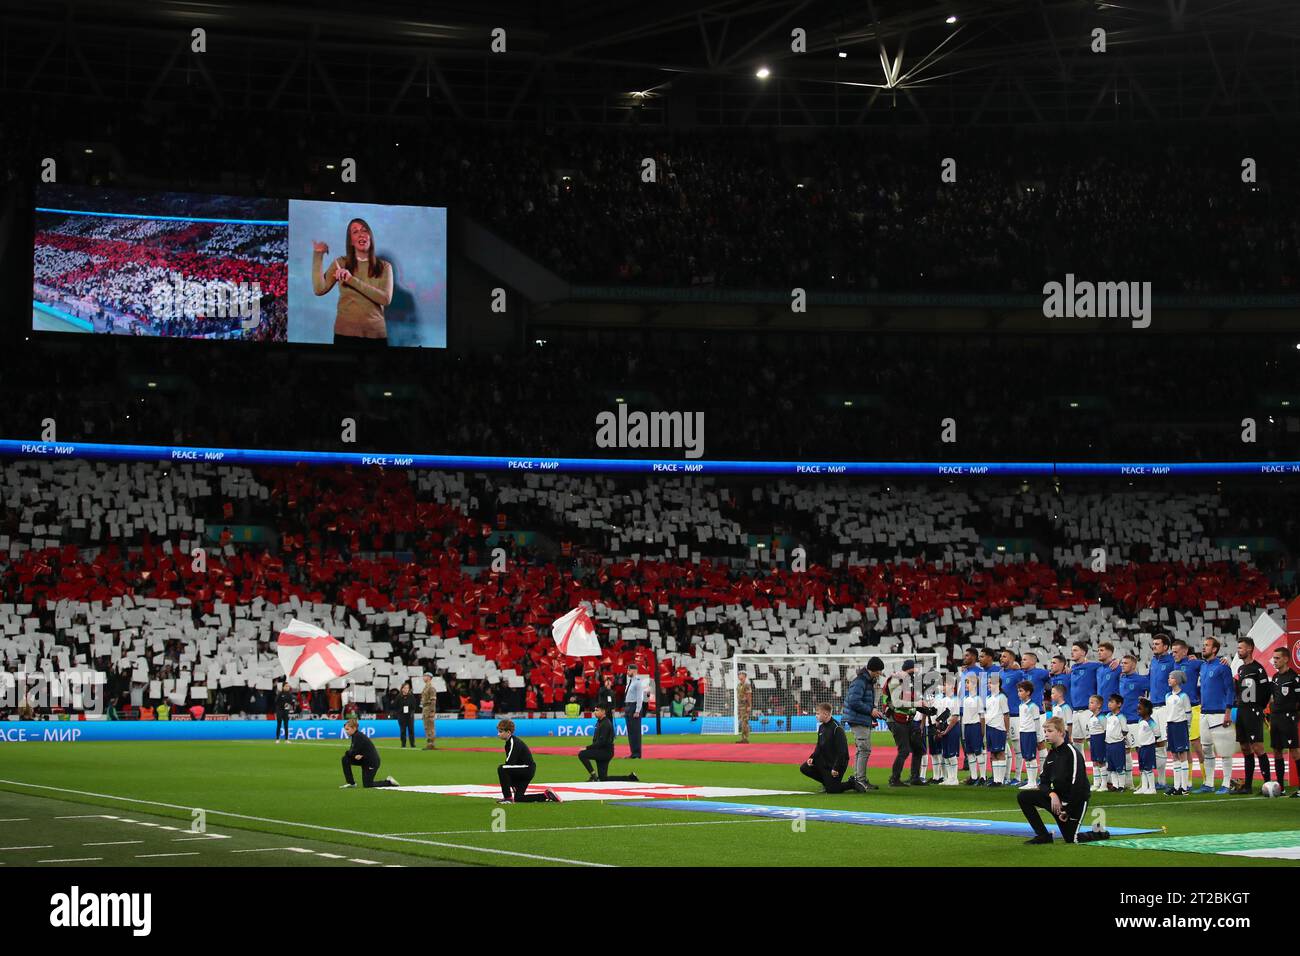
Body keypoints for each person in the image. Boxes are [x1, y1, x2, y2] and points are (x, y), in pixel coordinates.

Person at [1018, 716, 1109, 845]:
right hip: (1057, 800)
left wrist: (1067, 809)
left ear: (1061, 732)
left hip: (1075, 802)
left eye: (1050, 731)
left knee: (1072, 839)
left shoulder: (1072, 753)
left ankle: (1098, 833)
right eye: (1045, 732)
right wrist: (1052, 794)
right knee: (1024, 797)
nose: (1046, 735)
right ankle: (1043, 835)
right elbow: (1043, 782)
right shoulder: (1052, 754)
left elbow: (1077, 785)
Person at [311, 218, 394, 346]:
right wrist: (318, 255)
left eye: (364, 230)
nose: (361, 234)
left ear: (370, 237)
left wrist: (351, 280)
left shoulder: (385, 266)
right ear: (351, 241)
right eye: (355, 232)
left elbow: (385, 299)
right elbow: (319, 289)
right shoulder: (341, 263)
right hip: (344, 336)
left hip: (376, 336)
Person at [1229, 636, 1271, 794]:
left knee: (1258, 747)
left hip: (1253, 711)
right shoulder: (1241, 669)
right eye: (1238, 648)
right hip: (1241, 711)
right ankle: (1248, 786)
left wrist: (1259, 707)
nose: (1238, 651)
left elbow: (1266, 691)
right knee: (1245, 747)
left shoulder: (1258, 669)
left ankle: (1268, 784)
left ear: (1250, 649)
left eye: (1241, 648)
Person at [1198, 636, 1236, 794]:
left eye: (1206, 645)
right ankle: (1209, 783)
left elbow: (1230, 690)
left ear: (1214, 649)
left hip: (1219, 713)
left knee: (1225, 750)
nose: (1203, 647)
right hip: (1204, 713)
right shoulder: (1203, 666)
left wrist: (1228, 712)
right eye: (1203, 645)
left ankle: (1226, 784)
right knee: (1207, 749)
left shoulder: (1223, 666)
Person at [799, 702, 865, 793]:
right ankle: (827, 782)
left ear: (826, 714)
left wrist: (836, 767)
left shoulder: (837, 728)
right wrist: (812, 757)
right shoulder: (822, 727)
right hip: (825, 761)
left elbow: (843, 752)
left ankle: (851, 783)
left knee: (832, 790)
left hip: (836, 763)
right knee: (804, 768)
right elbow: (819, 745)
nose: (816, 716)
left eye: (818, 713)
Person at [840, 657, 885, 790]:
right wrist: (871, 710)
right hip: (858, 719)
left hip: (859, 718)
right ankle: (860, 780)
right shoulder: (861, 682)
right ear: (873, 670)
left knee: (862, 750)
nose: (879, 674)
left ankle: (860, 779)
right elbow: (854, 701)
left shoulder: (864, 680)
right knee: (864, 749)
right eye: (878, 671)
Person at [496, 718, 559, 803]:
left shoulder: (513, 742)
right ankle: (546, 795)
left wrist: (510, 780)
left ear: (508, 732)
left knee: (502, 769)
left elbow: (510, 763)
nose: (498, 734)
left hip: (526, 769)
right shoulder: (509, 742)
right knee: (519, 798)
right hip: (527, 770)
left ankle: (508, 798)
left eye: (500, 732)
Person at [884, 659, 925, 786]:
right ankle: (894, 779)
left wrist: (922, 707)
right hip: (897, 719)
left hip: (907, 719)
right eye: (914, 672)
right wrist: (916, 704)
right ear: (909, 670)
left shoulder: (907, 682)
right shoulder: (895, 680)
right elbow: (896, 703)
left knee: (918, 748)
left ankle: (915, 777)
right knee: (904, 750)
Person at [1267, 646, 1300, 797]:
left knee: (1294, 751)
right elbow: (1273, 698)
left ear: (1286, 659)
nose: (1275, 661)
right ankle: (1280, 787)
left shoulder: (1294, 678)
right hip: (1276, 718)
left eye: (1277, 658)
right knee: (1277, 751)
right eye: (1274, 658)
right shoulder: (1275, 677)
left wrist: (1293, 713)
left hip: (1289, 717)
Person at [1171, 639, 1204, 788]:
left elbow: (1209, 664)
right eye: (1172, 652)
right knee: (1184, 746)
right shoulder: (1172, 665)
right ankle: (1188, 780)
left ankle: (1206, 778)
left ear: (1185, 651)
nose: (1174, 654)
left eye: (1176, 652)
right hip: (1178, 709)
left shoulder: (1194, 663)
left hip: (1194, 707)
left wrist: (1222, 659)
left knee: (1195, 743)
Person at [578, 704, 639, 782]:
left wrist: (587, 748)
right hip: (605, 751)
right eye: (594, 710)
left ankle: (593, 776)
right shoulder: (600, 722)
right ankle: (630, 778)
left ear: (603, 712)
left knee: (582, 754)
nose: (595, 712)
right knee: (603, 778)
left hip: (604, 752)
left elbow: (601, 742)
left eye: (597, 710)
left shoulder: (605, 724)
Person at [1147, 634, 1176, 790]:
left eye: (1157, 644)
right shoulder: (1153, 661)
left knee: (1167, 743)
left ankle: (1181, 781)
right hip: (1153, 707)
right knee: (1158, 743)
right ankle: (1162, 780)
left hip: (1166, 707)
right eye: (1153, 644)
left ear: (1166, 646)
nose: (1154, 646)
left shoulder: (1172, 661)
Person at [340, 718, 398, 788]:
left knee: (368, 785)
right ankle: (351, 783)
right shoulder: (355, 736)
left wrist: (352, 754)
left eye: (347, 729)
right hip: (364, 760)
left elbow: (352, 752)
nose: (346, 731)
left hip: (371, 762)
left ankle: (389, 782)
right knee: (345, 759)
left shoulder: (358, 736)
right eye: (345, 729)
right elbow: (354, 752)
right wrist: (355, 754)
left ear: (354, 728)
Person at [998, 649, 1024, 784]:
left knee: (1017, 748)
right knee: (1003, 747)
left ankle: (1018, 777)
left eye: (1005, 656)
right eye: (1001, 656)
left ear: (1012, 660)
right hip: (1001, 716)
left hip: (1014, 715)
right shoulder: (1000, 673)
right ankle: (1006, 776)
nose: (1001, 658)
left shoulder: (1018, 673)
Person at [1164, 670, 1192, 794]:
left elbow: (1188, 713)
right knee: (1174, 755)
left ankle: (1184, 787)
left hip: (1180, 725)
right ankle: (1176, 786)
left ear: (1177, 680)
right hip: (1170, 726)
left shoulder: (1183, 696)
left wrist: (1187, 727)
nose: (1169, 680)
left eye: (1171, 678)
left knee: (1182, 754)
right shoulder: (1167, 696)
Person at [983, 672, 1010, 787]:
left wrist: (1006, 730)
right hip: (990, 727)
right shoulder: (988, 698)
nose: (989, 685)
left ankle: (1000, 780)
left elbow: (1006, 714)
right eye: (988, 683)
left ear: (998, 684)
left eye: (991, 683)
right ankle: (996, 779)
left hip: (999, 727)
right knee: (993, 753)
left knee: (1000, 753)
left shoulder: (1002, 697)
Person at [1015, 681, 1042, 790]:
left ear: (1028, 692)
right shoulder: (1021, 705)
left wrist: (1038, 736)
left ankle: (1033, 782)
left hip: (1030, 733)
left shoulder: (1033, 706)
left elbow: (1037, 722)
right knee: (1026, 757)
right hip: (1023, 732)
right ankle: (1030, 781)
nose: (1018, 693)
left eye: (1021, 691)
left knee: (1031, 757)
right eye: (1018, 691)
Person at [960, 674, 985, 785]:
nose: (966, 685)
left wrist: (982, 731)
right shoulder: (965, 698)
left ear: (974, 685)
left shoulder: (978, 699)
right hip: (967, 726)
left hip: (975, 726)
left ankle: (983, 777)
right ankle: (974, 777)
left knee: (978, 752)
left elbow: (982, 716)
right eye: (966, 682)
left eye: (968, 682)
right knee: (969, 752)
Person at [1132, 698, 1160, 794]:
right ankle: (1144, 787)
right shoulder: (1140, 720)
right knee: (1142, 768)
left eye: (1140, 709)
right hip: (1142, 747)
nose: (1138, 711)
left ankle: (1152, 788)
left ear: (1147, 710)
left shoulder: (1150, 721)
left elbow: (1157, 733)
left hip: (1148, 747)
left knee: (1148, 768)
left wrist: (1151, 742)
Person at [1104, 693, 1130, 792]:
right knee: (1111, 767)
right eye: (1109, 702)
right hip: (1109, 743)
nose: (1109, 704)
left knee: (1119, 766)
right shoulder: (1108, 716)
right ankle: (1115, 785)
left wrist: (1119, 737)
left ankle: (1121, 785)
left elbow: (1125, 730)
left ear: (1119, 704)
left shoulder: (1121, 717)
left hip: (1117, 743)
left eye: (1112, 702)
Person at [623, 663, 648, 758]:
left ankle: (637, 753)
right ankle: (633, 752)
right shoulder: (630, 682)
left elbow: (639, 697)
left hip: (634, 707)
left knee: (635, 731)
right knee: (630, 731)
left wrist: (637, 710)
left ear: (634, 671)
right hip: (628, 706)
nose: (627, 672)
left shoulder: (638, 682)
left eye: (629, 670)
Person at [1085, 695, 1107, 791]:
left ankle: (1104, 784)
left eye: (1092, 702)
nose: (1089, 704)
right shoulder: (1091, 717)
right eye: (1089, 702)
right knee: (1094, 761)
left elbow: (1106, 730)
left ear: (1099, 705)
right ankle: (1096, 783)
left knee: (1101, 761)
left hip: (1100, 739)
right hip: (1093, 739)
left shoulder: (1101, 717)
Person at [395, 680, 418, 748]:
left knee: (411, 730)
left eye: (407, 688)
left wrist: (411, 712)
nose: (406, 689)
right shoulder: (398, 697)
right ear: (402, 689)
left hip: (410, 716)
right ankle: (403, 744)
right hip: (401, 716)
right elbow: (395, 706)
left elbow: (414, 706)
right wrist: (400, 711)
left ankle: (412, 744)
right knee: (403, 731)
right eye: (405, 688)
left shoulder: (411, 696)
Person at [420, 672, 438, 750]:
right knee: (426, 726)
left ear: (429, 677)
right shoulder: (426, 687)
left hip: (428, 708)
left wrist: (432, 711)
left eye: (425, 676)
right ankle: (429, 743)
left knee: (430, 726)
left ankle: (431, 743)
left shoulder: (431, 688)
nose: (423, 677)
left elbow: (433, 701)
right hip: (425, 708)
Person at [736, 669, 753, 743]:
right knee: (742, 721)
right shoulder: (739, 685)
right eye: (739, 674)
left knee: (745, 722)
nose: (739, 675)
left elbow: (749, 695)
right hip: (740, 705)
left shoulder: (747, 684)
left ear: (744, 676)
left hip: (745, 705)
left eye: (741, 674)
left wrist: (749, 706)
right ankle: (743, 738)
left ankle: (745, 738)